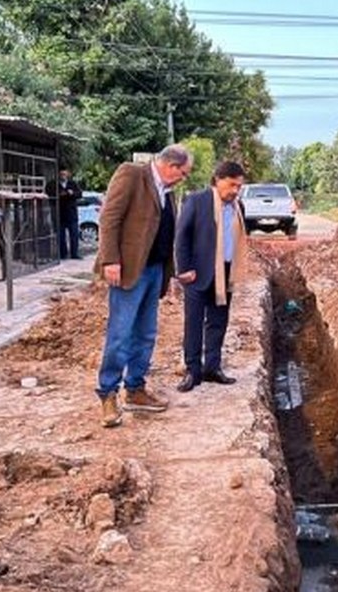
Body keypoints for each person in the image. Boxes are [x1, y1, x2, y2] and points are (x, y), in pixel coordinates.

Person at [93, 145, 193, 427]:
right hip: (129, 270)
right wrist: (110, 259)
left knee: (146, 334)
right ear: (171, 165)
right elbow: (109, 218)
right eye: (182, 173)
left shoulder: (168, 192)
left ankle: (135, 389)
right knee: (120, 333)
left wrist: (169, 273)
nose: (183, 178)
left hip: (154, 271)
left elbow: (165, 233)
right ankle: (108, 394)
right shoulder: (132, 174)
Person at [174, 161, 248, 393]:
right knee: (194, 322)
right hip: (198, 272)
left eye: (239, 186)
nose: (235, 190)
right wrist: (183, 268)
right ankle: (192, 371)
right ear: (218, 179)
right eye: (232, 184)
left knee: (218, 321)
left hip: (225, 272)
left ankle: (212, 368)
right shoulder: (197, 201)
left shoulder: (238, 207)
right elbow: (182, 236)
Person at [48, 168, 83, 259]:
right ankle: (63, 254)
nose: (63, 175)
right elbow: (49, 194)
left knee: (74, 235)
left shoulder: (72, 184)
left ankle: (74, 254)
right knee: (60, 236)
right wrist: (60, 194)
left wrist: (72, 193)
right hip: (59, 214)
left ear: (68, 174)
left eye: (65, 174)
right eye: (61, 174)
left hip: (71, 214)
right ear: (58, 174)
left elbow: (80, 194)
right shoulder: (53, 184)